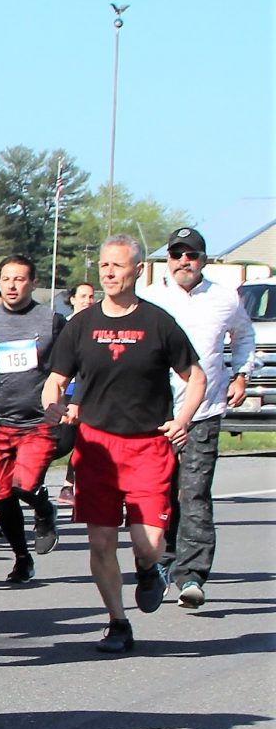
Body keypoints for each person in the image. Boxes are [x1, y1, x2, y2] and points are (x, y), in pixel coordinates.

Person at [43, 236, 205, 654]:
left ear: (136, 271)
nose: (110, 273)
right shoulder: (81, 324)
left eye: (118, 266)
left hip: (148, 446)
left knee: (148, 544)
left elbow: (196, 377)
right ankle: (117, 621)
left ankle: (149, 568)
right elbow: (56, 380)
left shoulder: (157, 322)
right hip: (96, 447)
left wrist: (181, 420)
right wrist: (52, 407)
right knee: (100, 542)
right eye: (103, 267)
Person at [138, 227, 253, 609]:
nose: (184, 262)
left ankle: (192, 575)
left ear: (205, 260)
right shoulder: (150, 299)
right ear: (166, 261)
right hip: (157, 412)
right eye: (176, 255)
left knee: (195, 493)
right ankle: (163, 563)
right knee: (160, 493)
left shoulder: (224, 298)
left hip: (203, 411)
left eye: (192, 255)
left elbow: (245, 337)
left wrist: (240, 374)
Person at [0, 255, 64, 583]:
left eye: (20, 279)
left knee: (24, 485)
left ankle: (44, 509)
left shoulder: (51, 321)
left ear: (33, 283)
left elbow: (67, 367)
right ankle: (21, 558)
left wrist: (68, 401)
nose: (12, 285)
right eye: (6, 279)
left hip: (36, 421)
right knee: (0, 496)